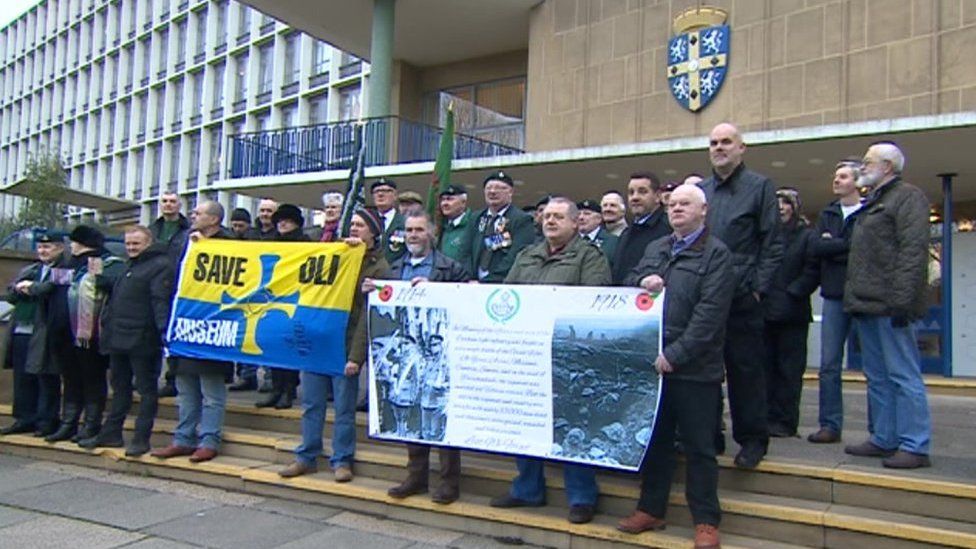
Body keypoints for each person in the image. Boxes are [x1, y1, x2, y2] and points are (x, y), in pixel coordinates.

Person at [618, 184, 732, 549]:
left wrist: (676, 355)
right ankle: (651, 508)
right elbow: (627, 286)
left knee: (699, 448)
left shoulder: (717, 255)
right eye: (673, 204)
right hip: (653, 364)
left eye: (686, 204)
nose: (677, 209)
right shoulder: (657, 248)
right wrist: (641, 280)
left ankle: (706, 521)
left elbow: (710, 316)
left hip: (695, 370)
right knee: (655, 442)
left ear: (703, 211)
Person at [490, 197, 610, 525]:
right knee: (525, 420)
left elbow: (593, 302)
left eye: (559, 217)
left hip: (567, 355)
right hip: (526, 354)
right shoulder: (526, 255)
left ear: (575, 223)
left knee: (573, 424)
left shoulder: (590, 256)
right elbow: (506, 296)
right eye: (547, 216)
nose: (550, 221)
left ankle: (582, 496)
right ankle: (527, 487)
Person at [278, 207, 391, 482]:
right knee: (311, 404)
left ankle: (342, 459)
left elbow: (368, 317)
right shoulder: (334, 255)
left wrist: (356, 356)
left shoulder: (379, 267)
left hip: (345, 346)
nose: (354, 229)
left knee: (343, 409)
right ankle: (307, 455)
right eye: (351, 224)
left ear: (373, 233)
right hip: (319, 343)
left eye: (360, 226)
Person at [698, 122, 783, 469]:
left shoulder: (760, 187)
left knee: (745, 370)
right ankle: (710, 436)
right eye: (714, 143)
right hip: (704, 297)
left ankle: (751, 440)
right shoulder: (701, 191)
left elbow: (773, 243)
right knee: (705, 372)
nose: (719, 148)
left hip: (743, 295)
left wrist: (759, 288)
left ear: (741, 148)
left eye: (726, 142)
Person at [843, 142, 932, 469]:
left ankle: (915, 444)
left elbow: (913, 251)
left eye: (868, 162)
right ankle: (885, 437)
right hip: (868, 304)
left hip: (892, 305)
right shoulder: (874, 202)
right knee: (878, 376)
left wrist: (902, 300)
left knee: (903, 375)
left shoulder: (907, 197)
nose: (862, 167)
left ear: (888, 167)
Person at [377, 211, 469, 505]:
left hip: (441, 352)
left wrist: (438, 290)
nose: (413, 235)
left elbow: (469, 295)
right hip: (409, 354)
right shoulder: (394, 267)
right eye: (408, 230)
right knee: (411, 414)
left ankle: (448, 483)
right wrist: (375, 291)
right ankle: (416, 477)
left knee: (440, 415)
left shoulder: (450, 267)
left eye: (418, 230)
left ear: (431, 233)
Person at [151, 200, 235, 463]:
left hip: (213, 326)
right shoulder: (183, 240)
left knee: (211, 390)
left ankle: (209, 439)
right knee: (185, 388)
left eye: (198, 213)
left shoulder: (232, 245)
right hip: (184, 324)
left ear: (214, 220)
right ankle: (183, 438)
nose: (193, 216)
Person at [79, 225, 172, 456]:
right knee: (120, 389)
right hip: (118, 338)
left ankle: (141, 439)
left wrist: (164, 333)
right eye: (128, 244)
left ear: (148, 243)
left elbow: (159, 301)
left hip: (143, 340)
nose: (131, 248)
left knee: (146, 390)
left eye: (136, 244)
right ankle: (111, 433)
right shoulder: (131, 265)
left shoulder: (160, 266)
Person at [46, 226, 125, 444]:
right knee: (70, 379)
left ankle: (91, 424)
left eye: (73, 242)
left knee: (92, 379)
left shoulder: (107, 263)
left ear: (82, 242)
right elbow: (52, 289)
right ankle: (69, 423)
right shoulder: (69, 264)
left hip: (91, 335)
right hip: (64, 334)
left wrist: (98, 277)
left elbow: (113, 287)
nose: (71, 246)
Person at [807, 160, 865, 444]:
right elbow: (817, 247)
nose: (837, 180)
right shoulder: (828, 213)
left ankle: (881, 431)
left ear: (857, 181)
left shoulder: (868, 211)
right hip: (832, 295)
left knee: (876, 367)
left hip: (865, 296)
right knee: (829, 364)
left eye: (843, 176)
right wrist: (844, 244)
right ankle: (830, 425)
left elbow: (864, 248)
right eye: (836, 175)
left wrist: (835, 244)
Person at [762, 188, 819, 438]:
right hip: (764, 312)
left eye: (786, 203)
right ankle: (765, 417)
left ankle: (785, 421)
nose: (781, 208)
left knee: (789, 370)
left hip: (792, 314)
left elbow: (812, 270)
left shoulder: (806, 236)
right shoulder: (765, 237)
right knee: (765, 368)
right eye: (777, 204)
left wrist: (793, 292)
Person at [1, 233, 65, 437]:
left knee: (45, 377)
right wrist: (23, 288)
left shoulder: (65, 269)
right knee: (22, 376)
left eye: (48, 247)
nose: (43, 251)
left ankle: (47, 420)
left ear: (60, 248)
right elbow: (10, 292)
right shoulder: (31, 269)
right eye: (40, 247)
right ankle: (24, 418)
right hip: (21, 330)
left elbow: (49, 289)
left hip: (45, 332)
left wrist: (30, 287)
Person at [254, 204, 307, 410]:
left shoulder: (305, 243)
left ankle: (288, 389)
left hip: (295, 300)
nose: (282, 224)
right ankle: (276, 388)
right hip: (272, 299)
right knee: (274, 345)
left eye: (287, 220)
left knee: (289, 345)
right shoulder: (271, 242)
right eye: (280, 221)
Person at [456, 171, 536, 283]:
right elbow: (464, 252)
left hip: (502, 283)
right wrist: (468, 278)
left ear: (510, 192)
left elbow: (515, 256)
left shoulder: (521, 220)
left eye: (499, 188)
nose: (493, 192)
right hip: (472, 283)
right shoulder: (476, 218)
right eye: (489, 188)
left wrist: (488, 281)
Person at [150, 192, 190, 398]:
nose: (168, 205)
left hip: (178, 288)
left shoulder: (189, 231)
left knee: (173, 334)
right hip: (154, 286)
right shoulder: (152, 230)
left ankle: (172, 379)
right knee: (152, 335)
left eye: (172, 202)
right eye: (164, 201)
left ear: (179, 205)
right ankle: (150, 379)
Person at [610, 172, 671, 285]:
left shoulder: (669, 229)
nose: (635, 197)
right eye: (631, 193)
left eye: (642, 192)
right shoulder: (626, 233)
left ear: (658, 196)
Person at [371, 178, 406, 264]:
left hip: (396, 273)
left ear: (395, 196)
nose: (380, 194)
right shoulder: (367, 223)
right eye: (376, 191)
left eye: (386, 191)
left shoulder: (404, 222)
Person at [577, 199, 618, 267]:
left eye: (587, 214)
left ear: (599, 219)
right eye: (578, 214)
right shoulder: (569, 240)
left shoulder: (613, 241)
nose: (581, 217)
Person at [436, 185, 471, 260]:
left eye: (450, 199)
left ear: (463, 202)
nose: (444, 203)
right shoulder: (440, 227)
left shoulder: (473, 224)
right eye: (443, 200)